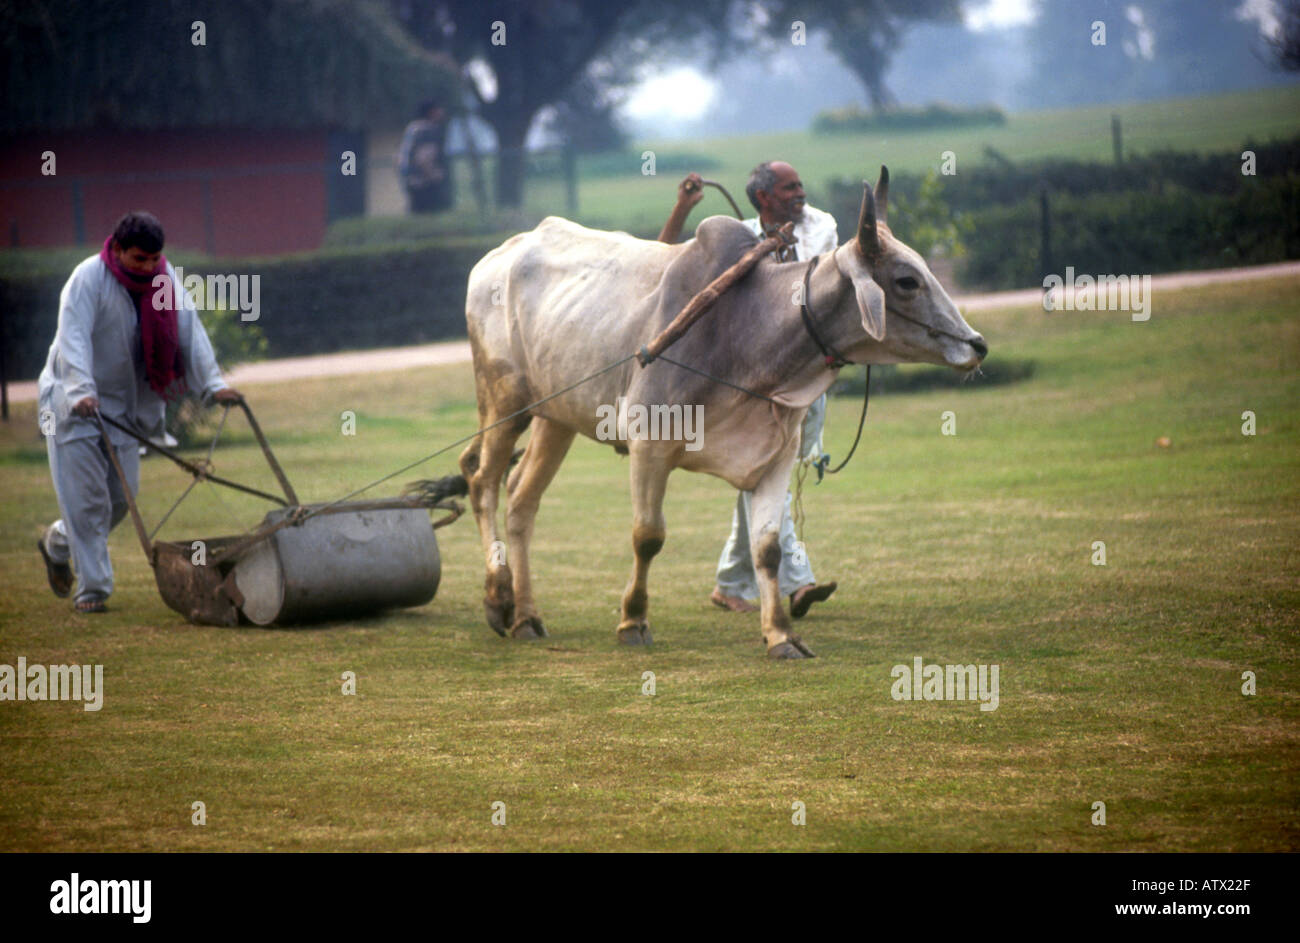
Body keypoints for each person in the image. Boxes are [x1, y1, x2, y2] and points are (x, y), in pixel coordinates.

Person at [36, 211, 242, 613]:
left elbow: (189, 330)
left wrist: (214, 386)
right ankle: (93, 590)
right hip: (71, 400)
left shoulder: (165, 280)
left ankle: (57, 543)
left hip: (126, 406)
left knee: (118, 499)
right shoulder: (87, 279)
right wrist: (80, 390)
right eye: (138, 260)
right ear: (116, 249)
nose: (148, 268)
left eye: (153, 259)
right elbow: (72, 336)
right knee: (87, 500)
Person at [659, 161, 839, 618]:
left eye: (800, 184)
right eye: (789, 187)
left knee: (766, 479)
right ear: (763, 198)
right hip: (752, 379)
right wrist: (683, 208)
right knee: (767, 475)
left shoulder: (822, 228)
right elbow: (663, 256)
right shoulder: (730, 236)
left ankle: (729, 583)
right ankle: (799, 581)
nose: (800, 193)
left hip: (809, 372)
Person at [398, 99, 452, 214]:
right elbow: (424, 157)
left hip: (410, 180)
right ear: (431, 112)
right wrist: (434, 175)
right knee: (430, 216)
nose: (442, 112)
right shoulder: (428, 130)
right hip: (424, 182)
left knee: (416, 215)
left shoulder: (413, 128)